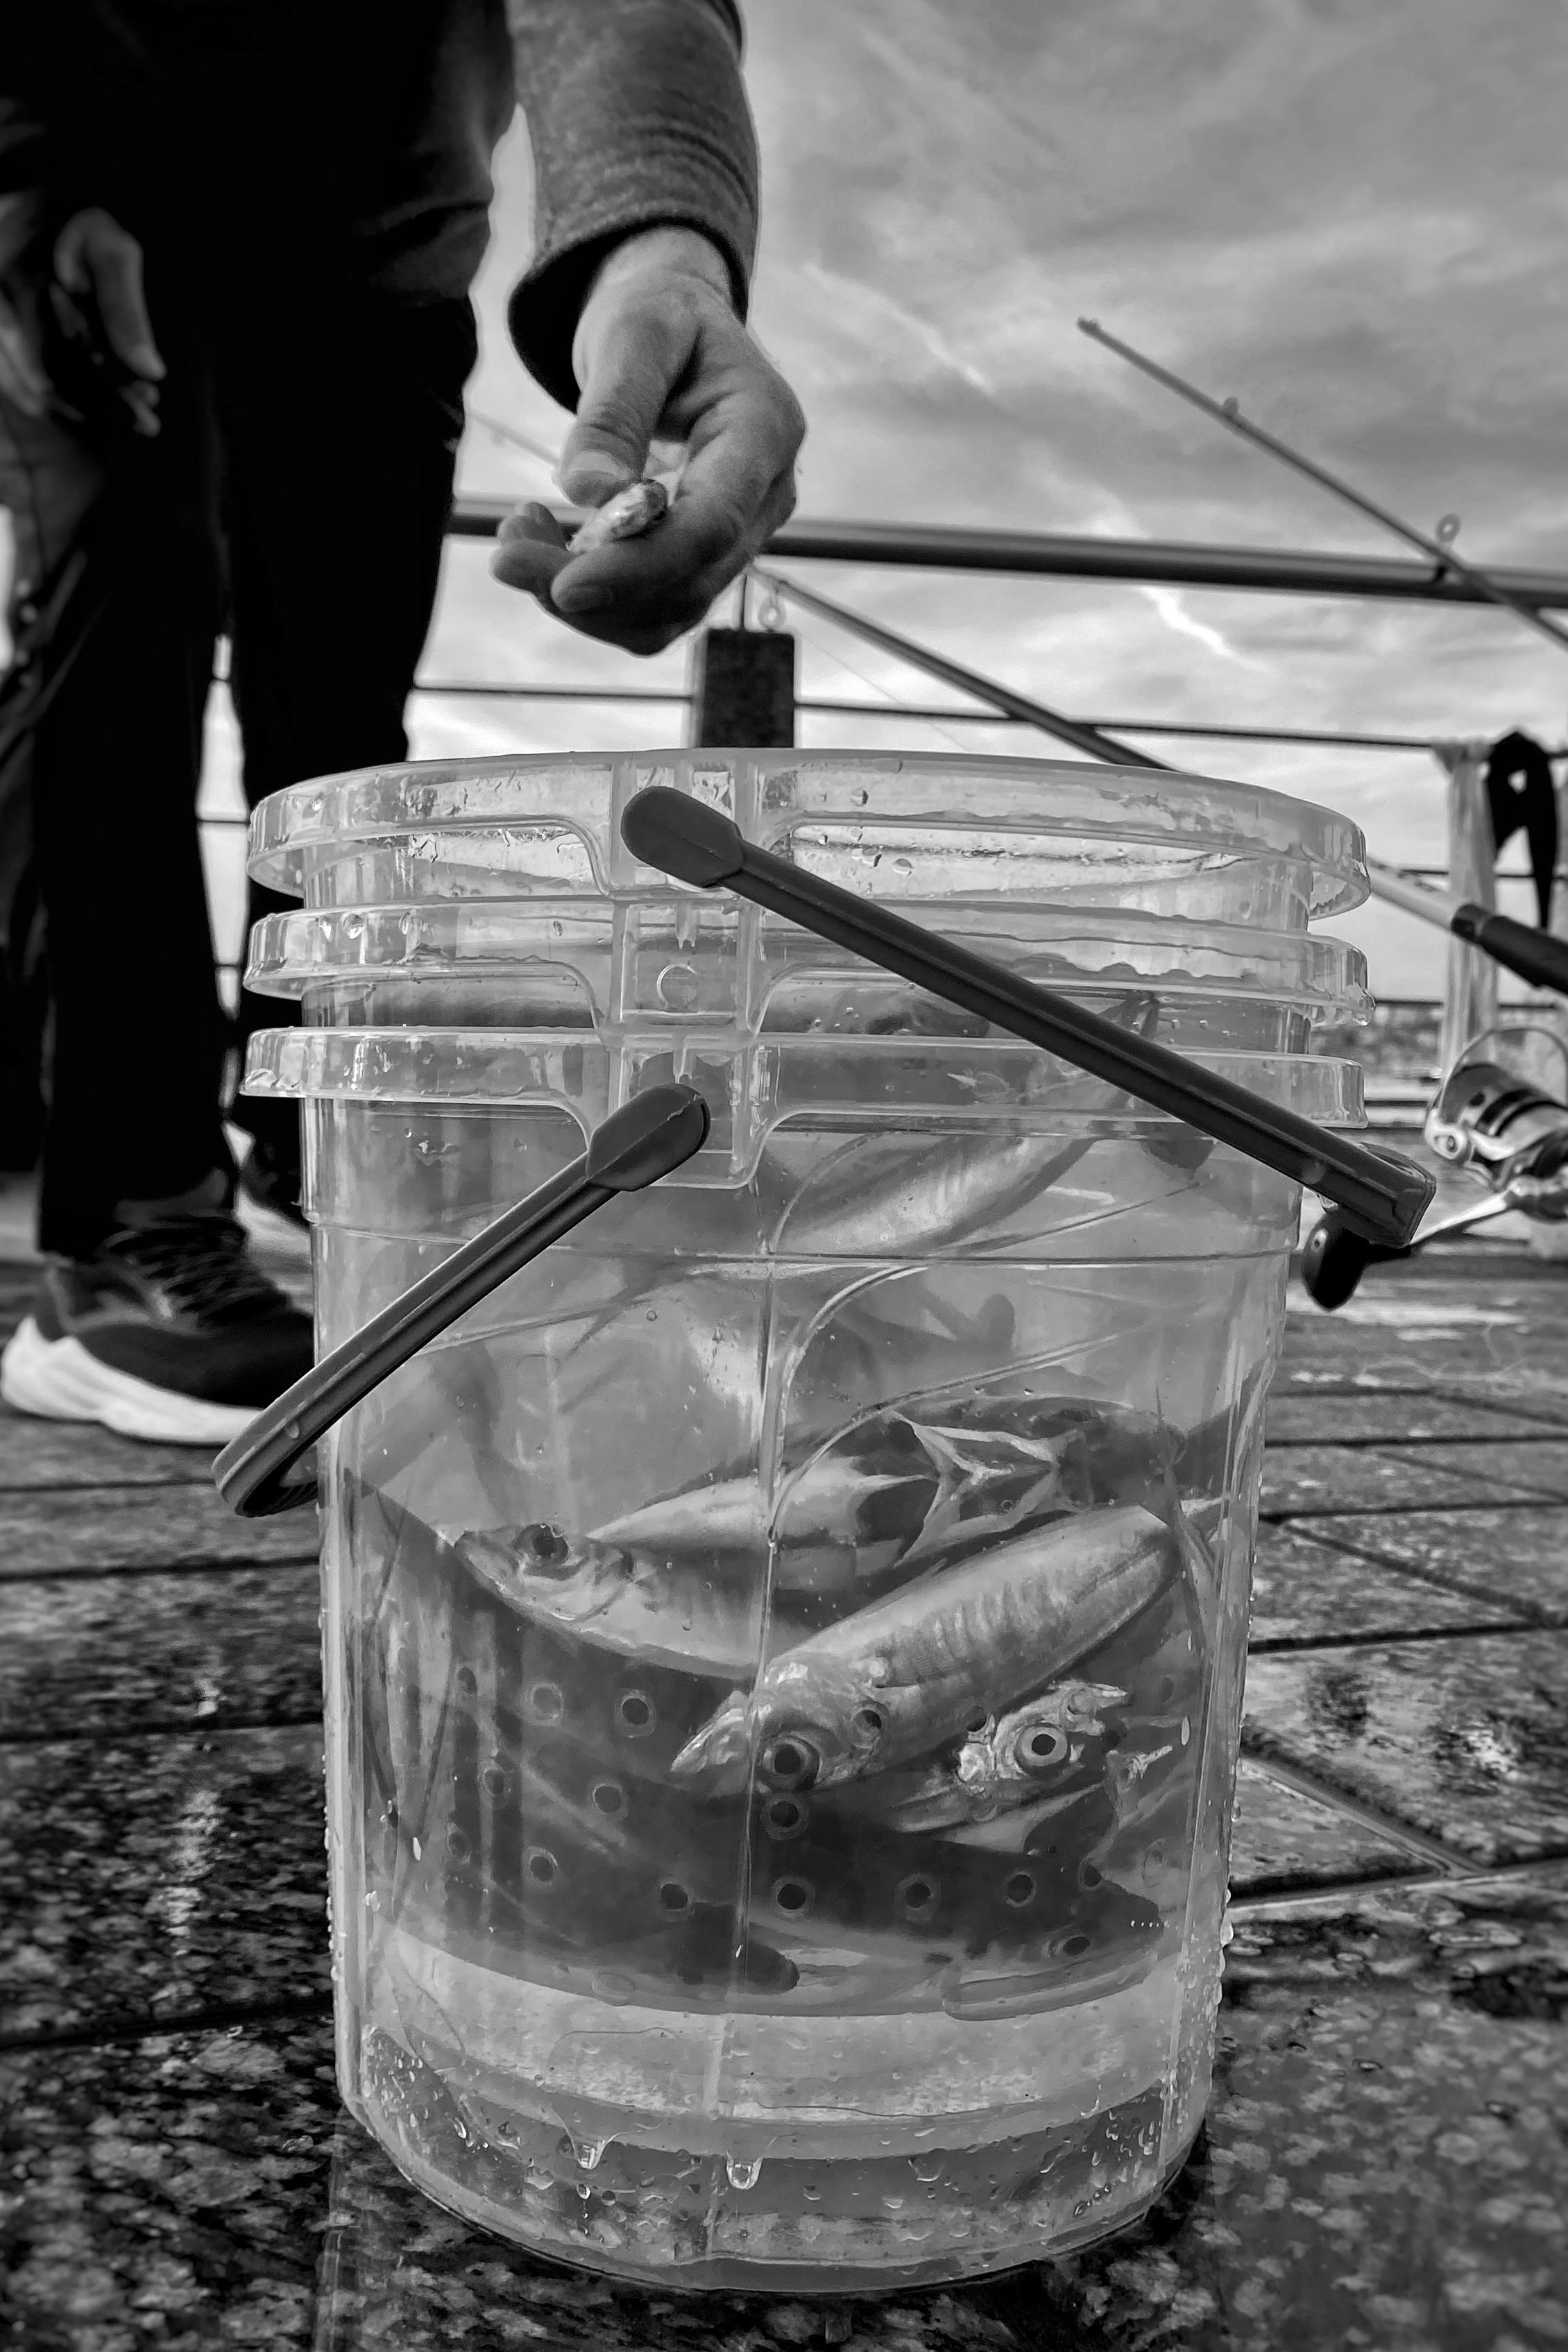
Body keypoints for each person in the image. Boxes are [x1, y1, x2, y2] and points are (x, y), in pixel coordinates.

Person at [0, 1, 804, 1444]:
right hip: (97, 174)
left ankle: (323, 1147)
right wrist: (33, 169)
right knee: (119, 663)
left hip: (381, 265)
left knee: (343, 738)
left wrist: (659, 243)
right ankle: (121, 1223)